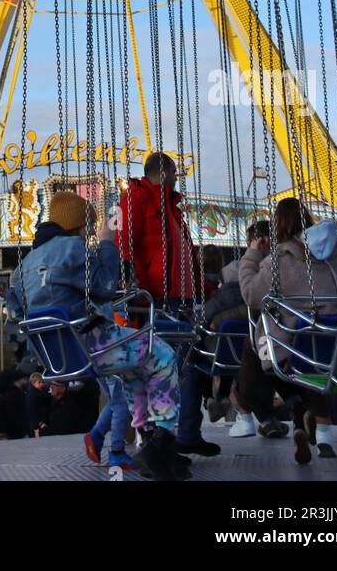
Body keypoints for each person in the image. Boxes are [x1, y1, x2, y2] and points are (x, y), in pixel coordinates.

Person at [8, 188, 185, 482]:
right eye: (87, 227)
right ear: (76, 225)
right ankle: (163, 434)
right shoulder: (74, 249)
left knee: (132, 370)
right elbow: (104, 285)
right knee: (162, 353)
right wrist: (106, 244)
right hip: (91, 345)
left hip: (56, 357)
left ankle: (146, 432)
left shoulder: (22, 267)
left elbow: (14, 310)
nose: (88, 232)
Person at [238, 198, 337, 462]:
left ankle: (249, 409)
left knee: (258, 348)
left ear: (278, 225)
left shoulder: (279, 261)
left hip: (299, 350)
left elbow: (251, 295)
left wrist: (252, 253)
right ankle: (315, 425)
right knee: (312, 357)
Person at [117, 153, 220, 459]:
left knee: (188, 366)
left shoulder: (172, 210)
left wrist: (207, 290)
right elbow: (125, 242)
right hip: (156, 299)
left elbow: (186, 257)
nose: (177, 179)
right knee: (163, 368)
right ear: (164, 173)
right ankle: (156, 438)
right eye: (174, 173)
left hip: (179, 300)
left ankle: (185, 433)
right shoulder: (135, 198)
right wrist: (137, 289)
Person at [25, 371, 50, 436]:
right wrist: (40, 423)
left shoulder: (39, 392)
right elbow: (32, 411)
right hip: (37, 426)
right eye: (39, 382)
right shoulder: (33, 395)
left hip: (39, 424)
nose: (42, 384)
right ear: (33, 383)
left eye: (42, 382)